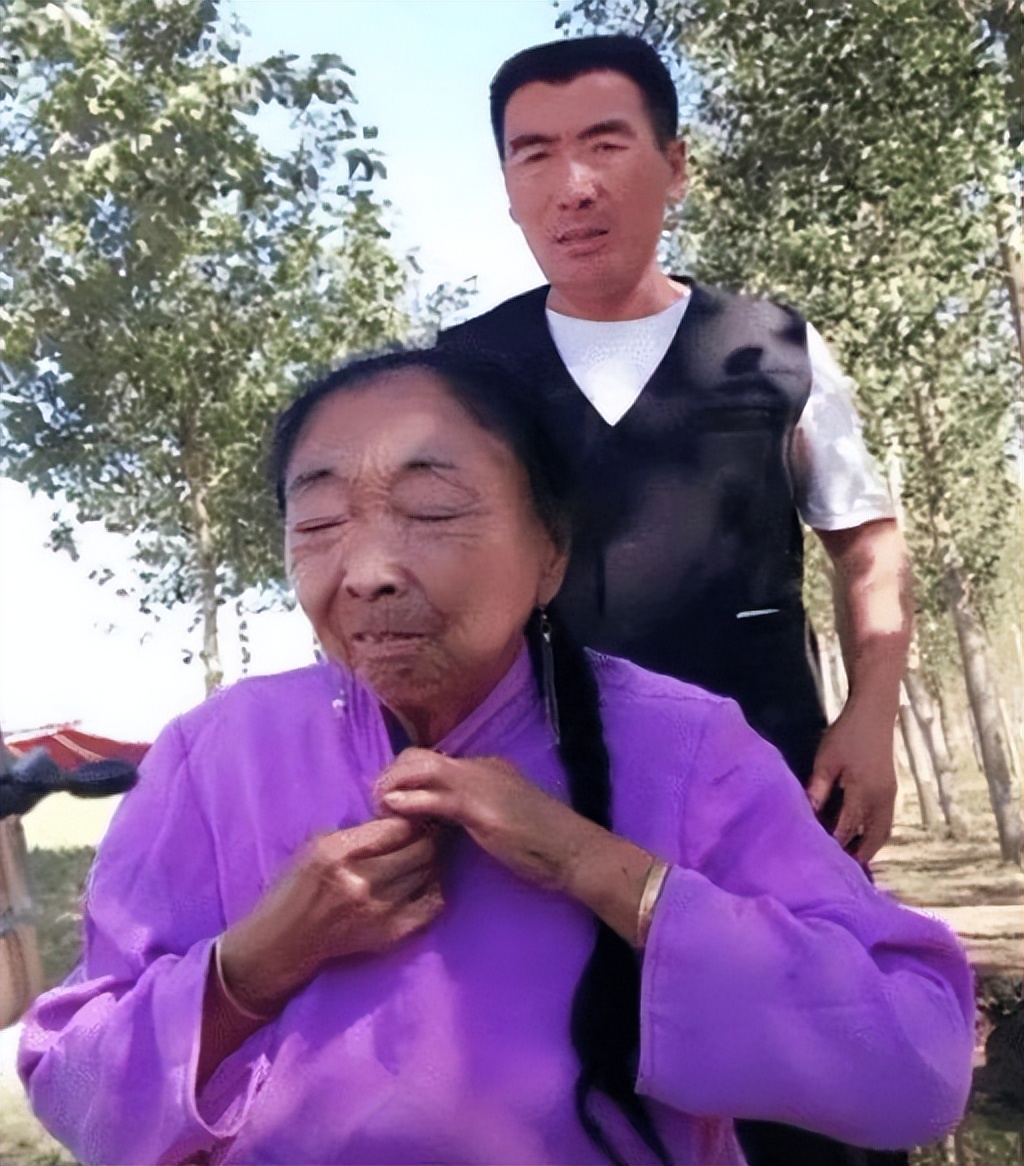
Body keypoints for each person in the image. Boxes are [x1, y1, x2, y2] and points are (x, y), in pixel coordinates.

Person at [19, 350, 971, 1166]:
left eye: (430, 511)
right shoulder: (216, 753)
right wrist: (255, 965)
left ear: (550, 552)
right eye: (316, 527)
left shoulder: (685, 749)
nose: (367, 570)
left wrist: (601, 870)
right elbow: (76, 1087)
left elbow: (914, 1067)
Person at [439, 35, 912, 871]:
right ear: (509, 192)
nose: (574, 187)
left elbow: (867, 547)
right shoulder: (464, 372)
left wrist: (870, 721)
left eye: (606, 145)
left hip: (772, 787)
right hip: (538, 806)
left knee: (779, 996)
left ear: (677, 165)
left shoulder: (774, 349)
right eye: (536, 156)